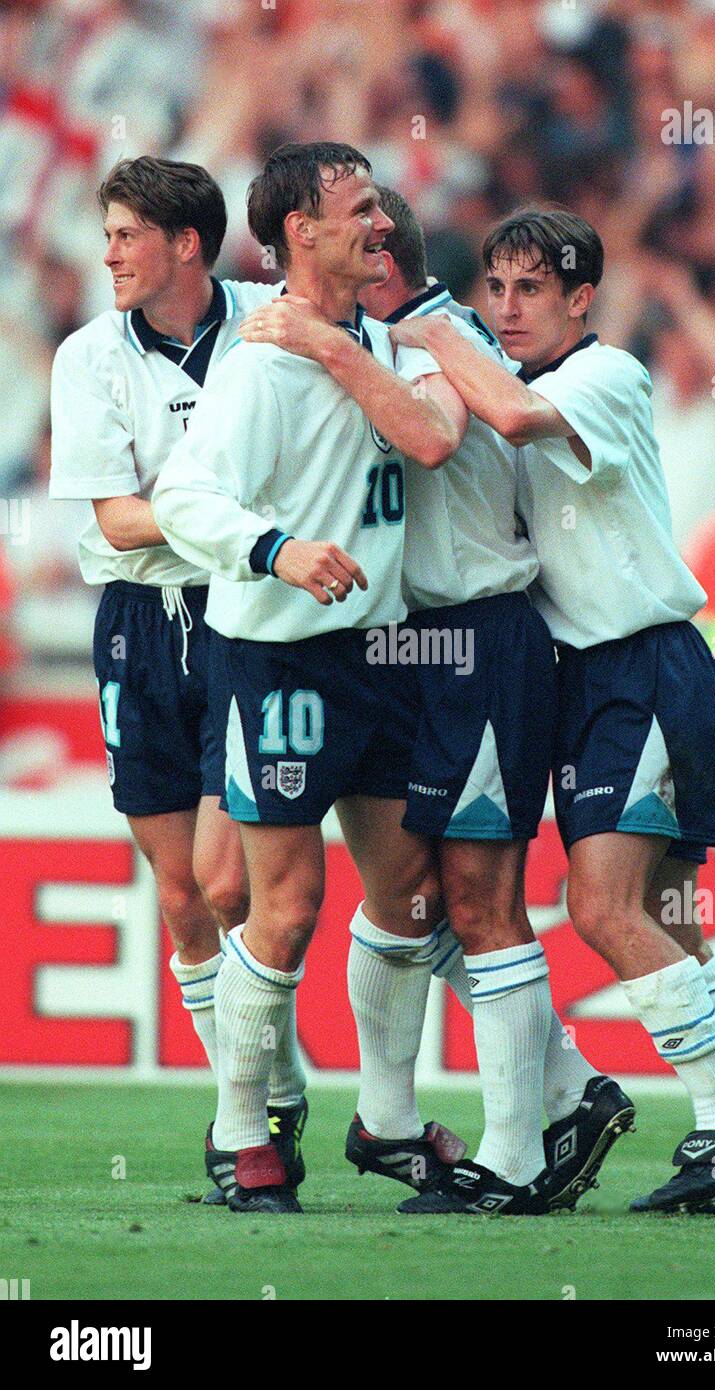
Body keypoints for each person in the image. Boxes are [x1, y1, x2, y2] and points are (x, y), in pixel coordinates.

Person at [240, 186, 636, 1215]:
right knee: (412, 895)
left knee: (481, 898)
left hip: (479, 638)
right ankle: (502, 1102)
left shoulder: (436, 339)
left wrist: (323, 343)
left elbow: (428, 437)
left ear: (381, 261)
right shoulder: (391, 335)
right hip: (403, 647)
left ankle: (517, 1152)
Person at [389, 205, 715, 1216]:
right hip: (597, 676)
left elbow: (516, 419)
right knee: (667, 923)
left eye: (531, 289)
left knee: (605, 910)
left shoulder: (602, 376)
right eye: (495, 288)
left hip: (641, 664)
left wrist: (427, 325)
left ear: (581, 299)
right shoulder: (512, 379)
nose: (508, 308)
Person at [152, 142, 468, 1214]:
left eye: (379, 205)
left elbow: (431, 440)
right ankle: (244, 1132)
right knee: (284, 907)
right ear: (300, 231)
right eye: (359, 208)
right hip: (280, 658)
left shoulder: (375, 342)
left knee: (410, 896)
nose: (382, 223)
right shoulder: (259, 366)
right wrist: (276, 549)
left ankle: (384, 1119)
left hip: (382, 653)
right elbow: (185, 497)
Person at [48, 157, 307, 1204]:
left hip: (245, 612)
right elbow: (115, 521)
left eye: (126, 234)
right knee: (180, 894)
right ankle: (267, 1093)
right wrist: (228, 510)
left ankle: (248, 1118)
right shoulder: (87, 356)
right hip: (138, 623)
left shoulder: (268, 326)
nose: (108, 253)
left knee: (226, 881)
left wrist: (203, 514)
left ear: (186, 244)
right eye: (106, 233)